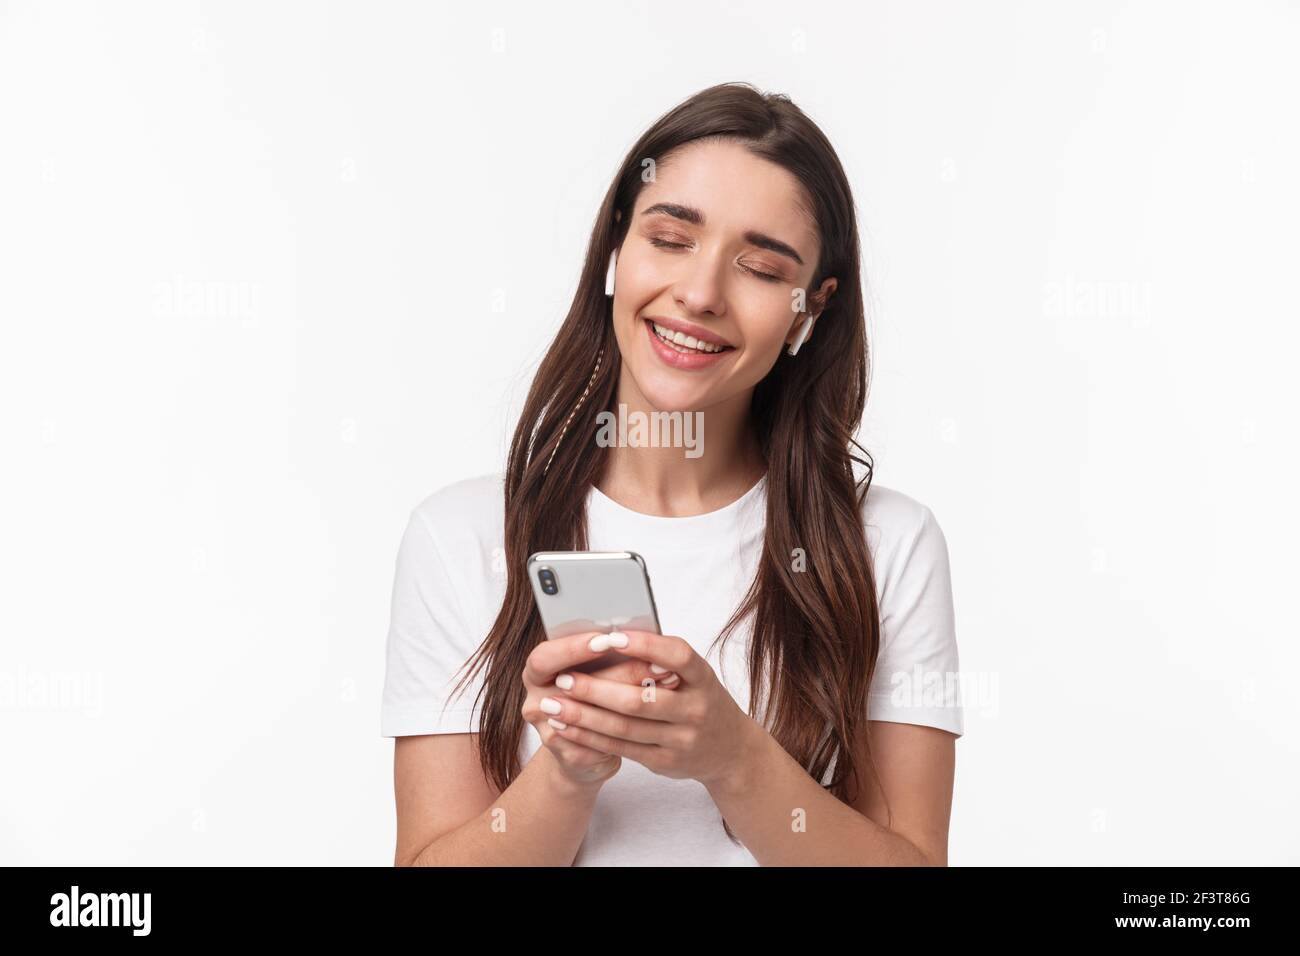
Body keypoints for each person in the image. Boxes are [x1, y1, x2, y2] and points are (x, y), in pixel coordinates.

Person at [382, 82, 963, 866]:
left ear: (809, 309)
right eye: (670, 238)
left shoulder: (885, 545)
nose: (699, 294)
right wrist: (568, 770)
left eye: (759, 267)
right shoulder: (462, 538)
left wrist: (733, 757)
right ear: (617, 249)